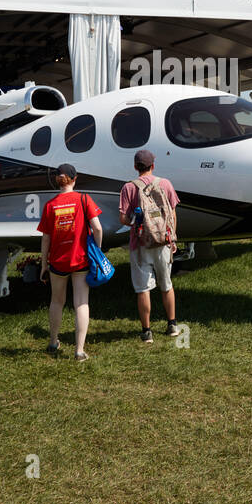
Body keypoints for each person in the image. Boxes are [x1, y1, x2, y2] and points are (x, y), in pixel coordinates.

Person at [37, 163, 103, 361]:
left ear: (58, 181)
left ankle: (53, 342)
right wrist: (97, 252)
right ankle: (79, 351)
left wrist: (43, 265)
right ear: (75, 179)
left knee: (57, 301)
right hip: (81, 260)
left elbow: (46, 238)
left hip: (58, 261)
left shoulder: (50, 205)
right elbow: (98, 228)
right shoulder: (84, 199)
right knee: (81, 303)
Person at [118, 149, 181, 343]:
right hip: (163, 241)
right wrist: (173, 238)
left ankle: (147, 332)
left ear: (136, 167)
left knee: (143, 289)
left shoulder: (128, 188)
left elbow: (123, 219)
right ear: (153, 165)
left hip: (140, 243)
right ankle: (172, 325)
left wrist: (136, 221)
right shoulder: (165, 183)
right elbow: (172, 213)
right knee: (166, 285)